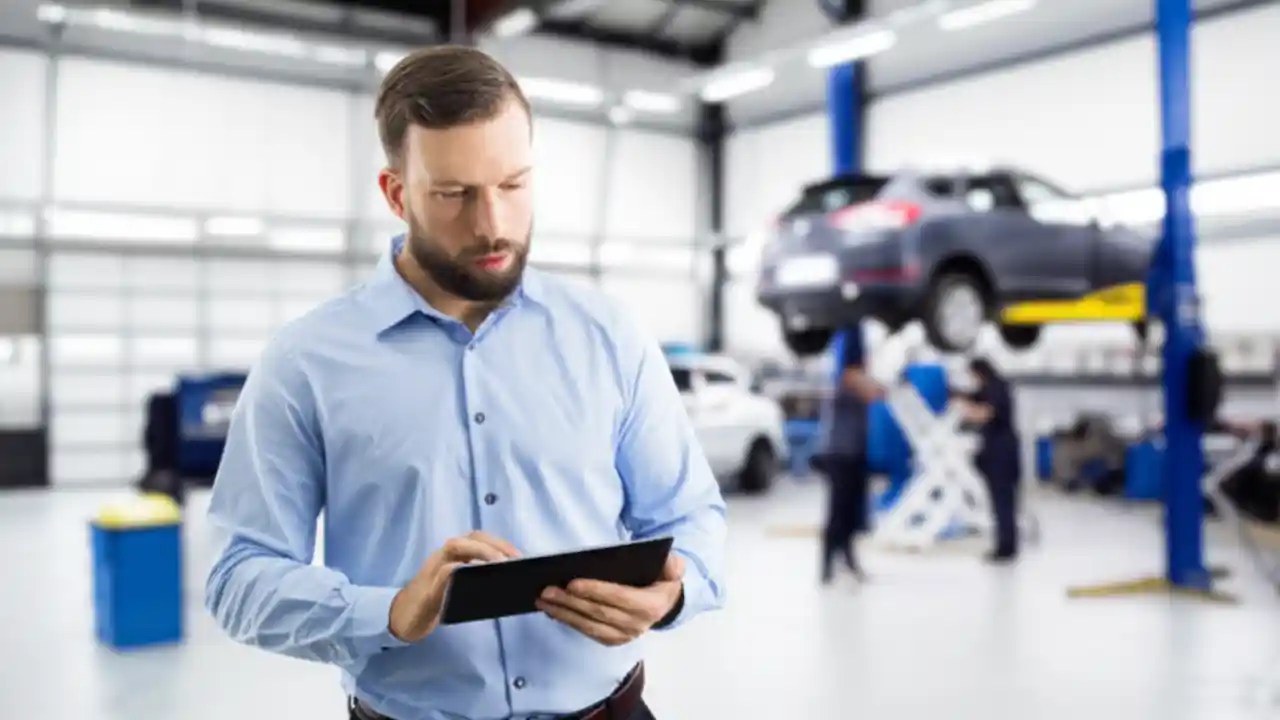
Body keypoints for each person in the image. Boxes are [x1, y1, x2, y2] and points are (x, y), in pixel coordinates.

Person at [203, 45, 727, 720]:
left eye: (513, 185)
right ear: (397, 194)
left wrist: (671, 594)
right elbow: (239, 575)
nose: (492, 225)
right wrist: (388, 611)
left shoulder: (608, 336)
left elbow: (691, 516)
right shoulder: (307, 362)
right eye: (453, 195)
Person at [815, 322, 882, 584]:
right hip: (840, 456)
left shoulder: (855, 383)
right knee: (837, 513)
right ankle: (827, 566)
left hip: (855, 455)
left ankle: (849, 560)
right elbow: (872, 390)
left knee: (853, 513)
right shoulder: (846, 383)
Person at [955, 357, 1022, 563]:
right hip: (999, 452)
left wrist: (964, 410)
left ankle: (1005, 548)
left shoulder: (996, 389)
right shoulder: (993, 387)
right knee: (1001, 502)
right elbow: (975, 397)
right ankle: (1005, 544)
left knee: (1003, 502)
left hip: (1001, 454)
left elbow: (985, 414)